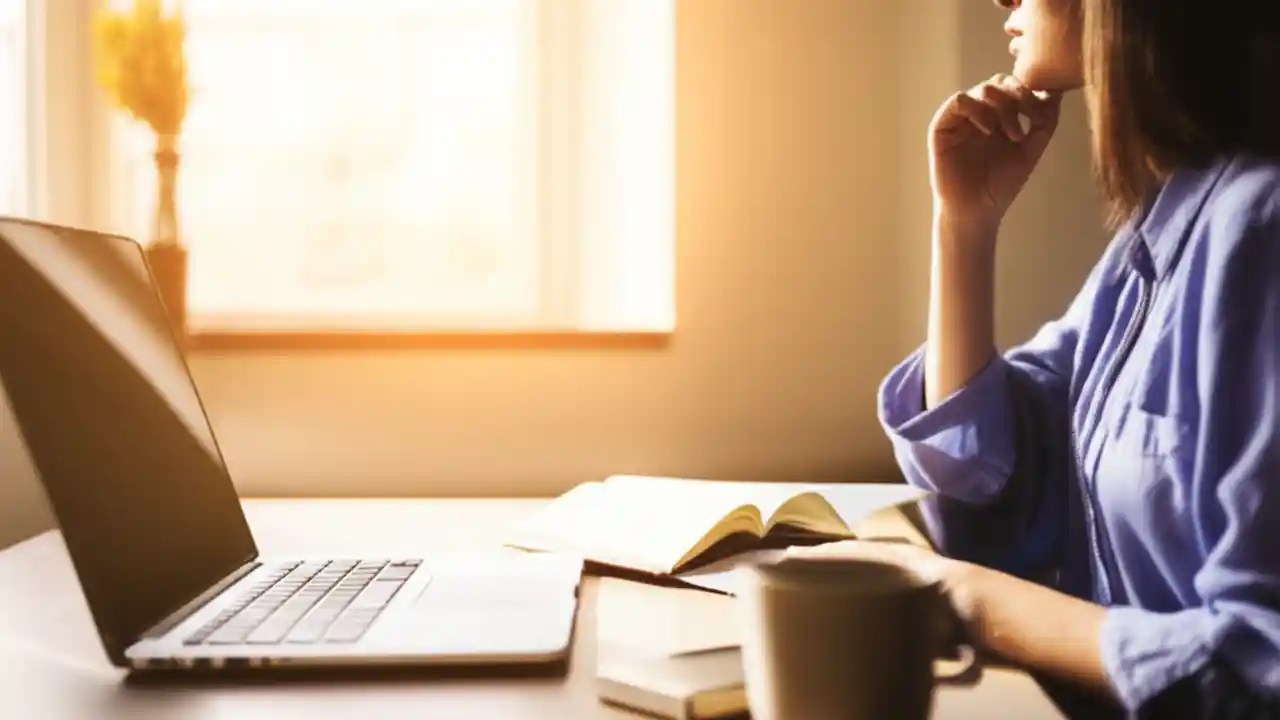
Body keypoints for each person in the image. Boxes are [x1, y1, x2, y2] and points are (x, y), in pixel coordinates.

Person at [790, 0, 1280, 717]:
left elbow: (1254, 663)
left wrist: (960, 596)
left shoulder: (1260, 233)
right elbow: (993, 475)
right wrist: (964, 225)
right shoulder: (1163, 228)